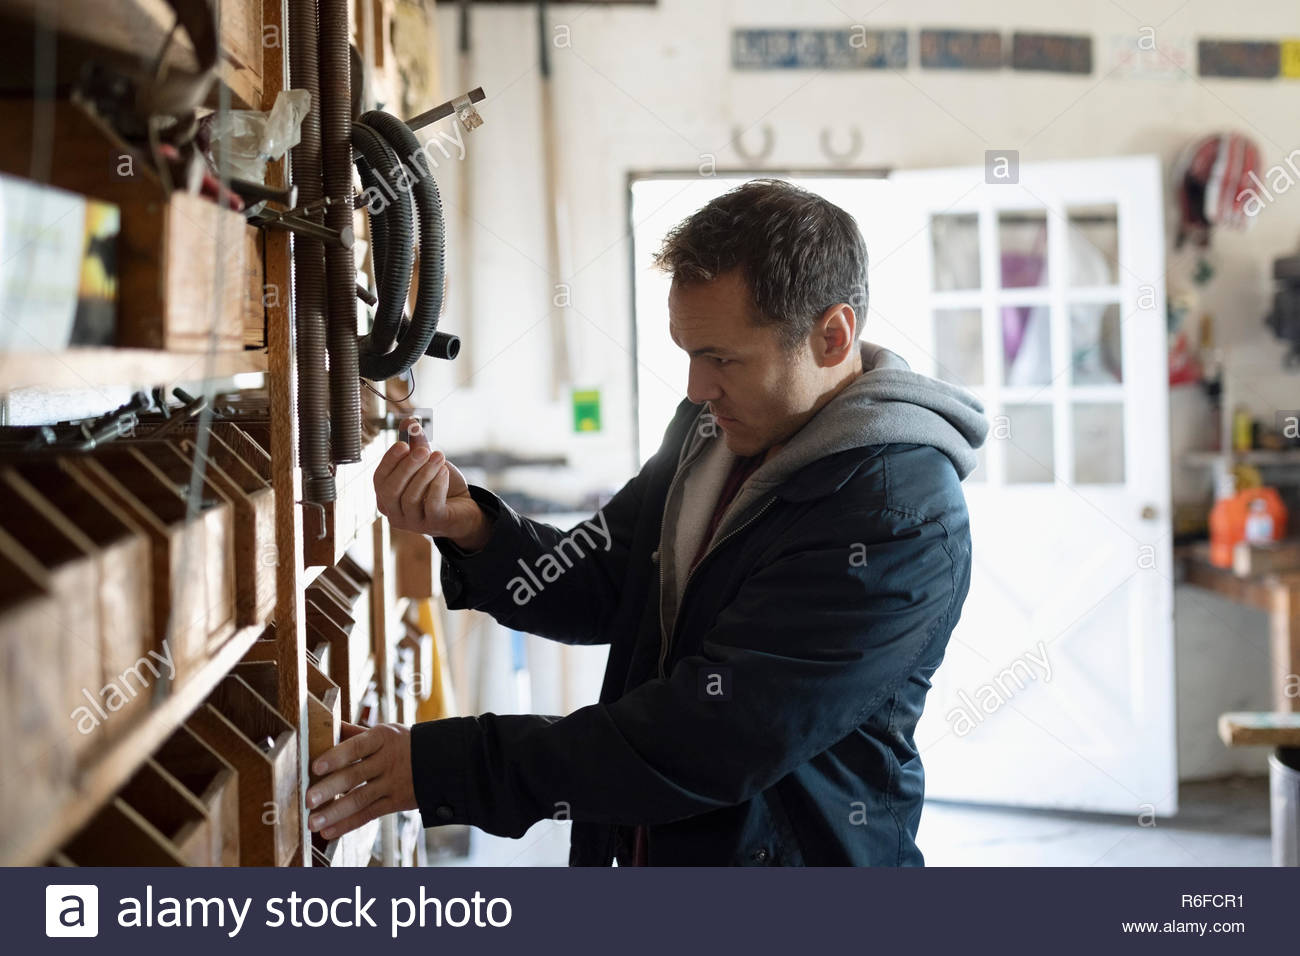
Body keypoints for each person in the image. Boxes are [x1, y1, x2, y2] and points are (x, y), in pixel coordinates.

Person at [305, 179, 988, 866]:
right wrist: (474, 530)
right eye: (688, 352)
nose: (696, 388)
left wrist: (444, 767)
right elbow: (606, 580)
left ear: (832, 335)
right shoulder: (713, 431)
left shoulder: (897, 515)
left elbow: (709, 741)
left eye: (721, 359)